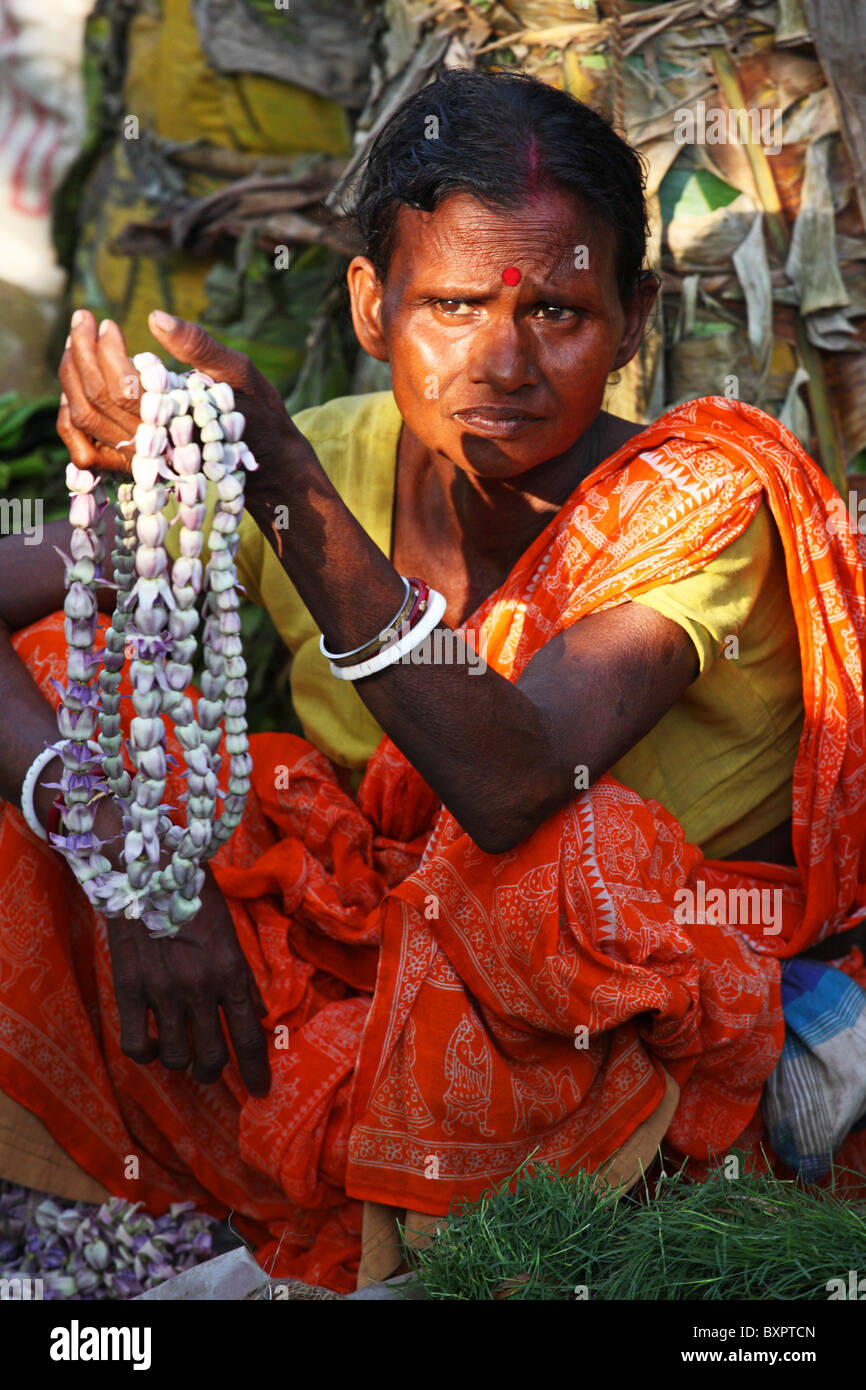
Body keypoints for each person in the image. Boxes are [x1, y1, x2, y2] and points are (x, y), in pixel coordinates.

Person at [0, 69, 864, 1294]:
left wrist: (279, 483)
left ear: (633, 318)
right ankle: (228, 1195)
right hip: (373, 977)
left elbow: (514, 784)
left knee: (573, 860)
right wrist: (126, 864)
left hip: (610, 1023)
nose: (500, 361)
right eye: (454, 305)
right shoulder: (344, 451)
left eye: (557, 312)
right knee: (79, 719)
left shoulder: (699, 501)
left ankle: (463, 1220)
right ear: (369, 301)